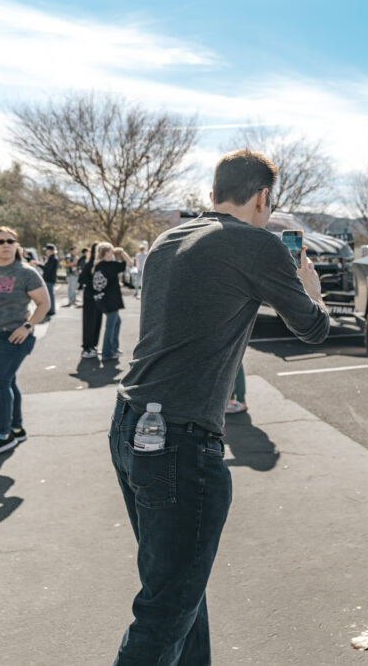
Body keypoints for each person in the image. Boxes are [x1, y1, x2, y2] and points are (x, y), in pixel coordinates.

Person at [110, 150, 329, 663]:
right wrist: (309, 284)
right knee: (165, 611)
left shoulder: (170, 239)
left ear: (212, 194)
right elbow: (312, 327)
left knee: (180, 590)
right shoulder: (257, 245)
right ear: (262, 198)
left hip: (129, 424)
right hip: (180, 444)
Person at [0, 226, 49, 458]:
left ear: (16, 245)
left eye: (10, 241)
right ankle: (17, 428)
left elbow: (44, 304)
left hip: (12, 336)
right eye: (0, 241)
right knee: (7, 382)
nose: (6, 245)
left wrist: (27, 326)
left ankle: (3, 436)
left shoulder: (25, 272)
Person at [91, 242, 128, 361]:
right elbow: (129, 263)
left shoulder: (98, 265)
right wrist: (121, 252)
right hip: (110, 300)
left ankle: (113, 348)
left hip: (102, 300)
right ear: (106, 253)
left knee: (116, 322)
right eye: (111, 251)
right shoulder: (111, 265)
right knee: (111, 326)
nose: (113, 253)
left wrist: (116, 252)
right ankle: (108, 352)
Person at [79, 242, 103, 359]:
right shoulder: (90, 264)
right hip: (90, 298)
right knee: (89, 322)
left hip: (98, 298)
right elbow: (82, 279)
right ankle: (87, 348)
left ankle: (93, 346)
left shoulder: (100, 264)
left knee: (97, 322)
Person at [40, 244, 59, 319]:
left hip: (50, 279)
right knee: (49, 295)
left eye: (47, 250)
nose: (46, 252)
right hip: (49, 279)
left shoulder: (53, 258)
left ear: (50, 251)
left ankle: (51, 310)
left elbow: (47, 269)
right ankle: (50, 309)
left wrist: (38, 264)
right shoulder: (51, 258)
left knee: (50, 295)